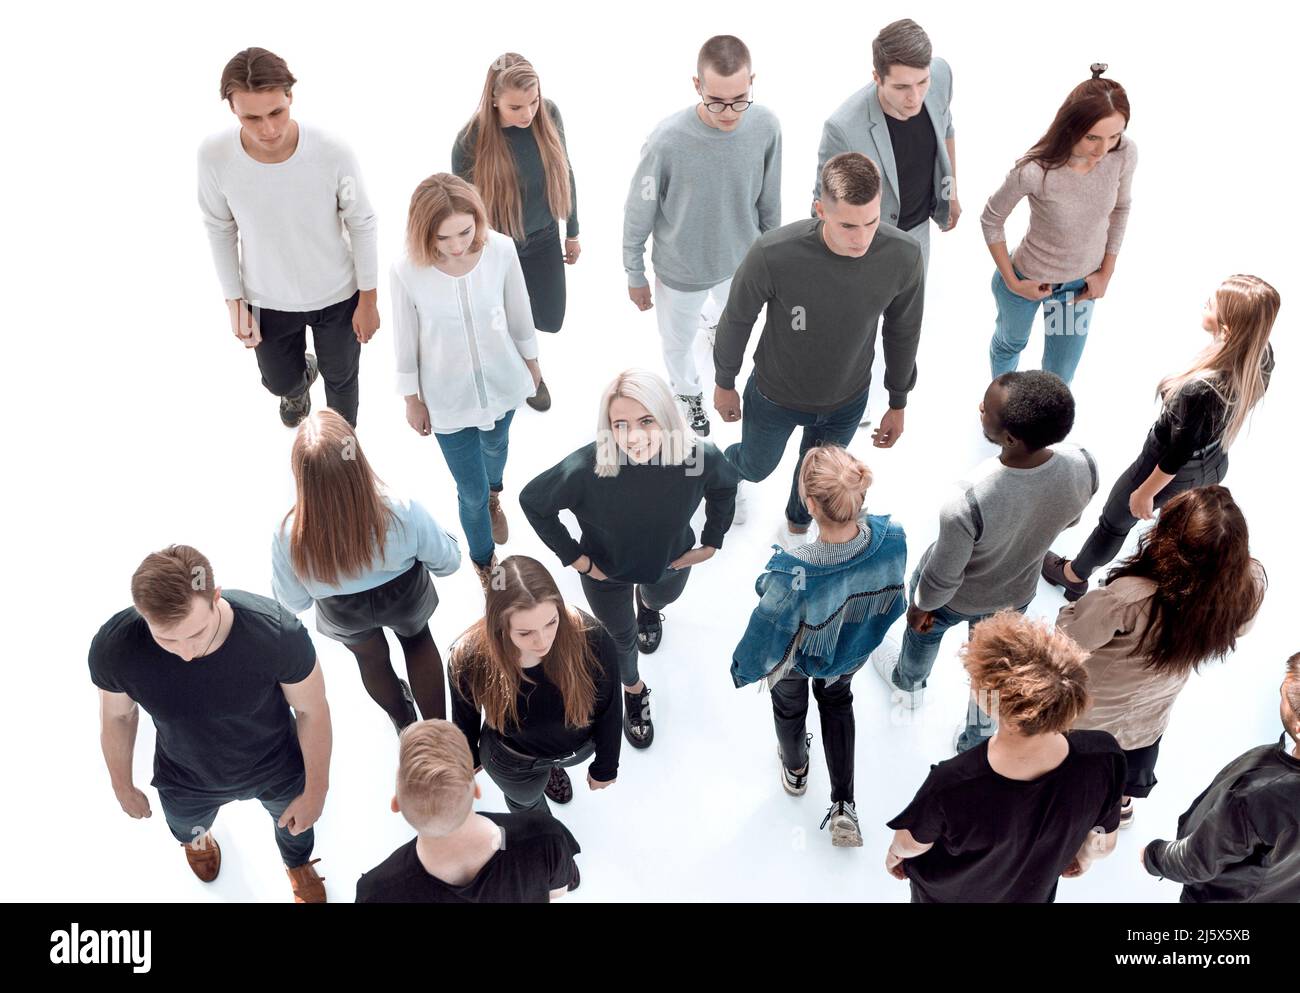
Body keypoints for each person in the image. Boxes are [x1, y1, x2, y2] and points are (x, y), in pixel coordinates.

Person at [89, 545, 331, 902]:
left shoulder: (277, 634)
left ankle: (297, 863)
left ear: (215, 596)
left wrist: (317, 791)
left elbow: (312, 711)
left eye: (196, 633)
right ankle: (200, 841)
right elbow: (118, 715)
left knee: (296, 827)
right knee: (189, 830)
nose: (185, 652)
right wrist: (121, 784)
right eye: (166, 638)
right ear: (142, 616)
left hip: (276, 764)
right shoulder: (116, 649)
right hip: (186, 776)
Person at [870, 371, 1097, 752]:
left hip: (954, 599)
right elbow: (1071, 518)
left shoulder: (968, 499)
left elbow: (944, 577)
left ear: (1009, 438)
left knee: (924, 635)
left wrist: (920, 606)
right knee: (994, 672)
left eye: (987, 410)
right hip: (1015, 596)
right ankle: (977, 738)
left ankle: (908, 685)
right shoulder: (1083, 465)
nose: (980, 408)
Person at [714, 152, 924, 547]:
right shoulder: (773, 253)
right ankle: (726, 476)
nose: (861, 239)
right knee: (756, 466)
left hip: (847, 399)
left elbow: (903, 331)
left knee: (817, 479)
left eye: (872, 222)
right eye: (847, 225)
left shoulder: (905, 255)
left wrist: (898, 400)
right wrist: (724, 381)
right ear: (820, 210)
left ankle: (796, 527)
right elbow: (737, 318)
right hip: (774, 395)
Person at [520, 369, 738, 749]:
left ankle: (649, 608)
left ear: (666, 417)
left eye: (646, 421)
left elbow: (724, 485)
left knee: (658, 598)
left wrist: (711, 541)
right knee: (620, 638)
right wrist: (577, 559)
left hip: (670, 563)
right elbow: (534, 502)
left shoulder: (696, 458)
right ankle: (633, 690)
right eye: (620, 424)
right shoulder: (588, 468)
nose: (633, 437)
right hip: (607, 575)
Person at [1043, 274, 1279, 599]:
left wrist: (1144, 493)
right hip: (1215, 463)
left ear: (1227, 330)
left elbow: (1176, 452)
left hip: (1166, 468)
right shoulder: (1261, 357)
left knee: (1114, 522)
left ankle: (1073, 576)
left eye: (1212, 304)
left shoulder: (1200, 389)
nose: (1204, 303)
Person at [1057, 487, 1266, 827]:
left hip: (1091, 712)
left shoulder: (1132, 596)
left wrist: (1070, 610)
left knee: (1069, 771)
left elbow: (1072, 636)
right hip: (1151, 712)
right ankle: (1120, 808)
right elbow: (1240, 629)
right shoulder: (1248, 587)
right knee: (1131, 764)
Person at [732, 445, 906, 846]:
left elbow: (767, 629)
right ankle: (844, 803)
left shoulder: (796, 568)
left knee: (789, 710)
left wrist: (744, 665)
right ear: (860, 495)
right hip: (849, 651)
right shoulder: (892, 537)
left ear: (810, 504)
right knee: (838, 703)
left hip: (798, 661)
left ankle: (796, 772)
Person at [886, 612, 1125, 903]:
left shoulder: (952, 784)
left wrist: (894, 856)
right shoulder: (1104, 757)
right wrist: (1084, 858)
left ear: (991, 701)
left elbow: (909, 843)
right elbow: (1102, 844)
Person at [198, 47, 379, 428]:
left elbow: (361, 222)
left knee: (342, 381)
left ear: (290, 96)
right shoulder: (215, 157)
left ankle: (342, 453)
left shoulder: (332, 152)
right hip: (267, 297)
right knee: (278, 380)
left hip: (338, 295)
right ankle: (298, 385)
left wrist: (368, 297)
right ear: (232, 108)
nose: (268, 129)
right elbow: (219, 227)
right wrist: (234, 301)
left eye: (276, 112)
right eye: (252, 118)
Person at [623, 34, 782, 436]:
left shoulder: (765, 126)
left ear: (752, 83)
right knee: (677, 346)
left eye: (739, 99)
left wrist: (775, 259)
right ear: (697, 86)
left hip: (740, 263)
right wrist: (634, 272)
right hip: (680, 271)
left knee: (735, 326)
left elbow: (770, 199)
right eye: (716, 101)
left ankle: (714, 333)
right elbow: (638, 209)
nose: (729, 113)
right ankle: (689, 395)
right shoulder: (666, 141)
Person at [391, 173, 542, 588]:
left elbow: (519, 310)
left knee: (497, 448)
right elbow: (404, 338)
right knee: (469, 491)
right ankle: (484, 561)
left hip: (503, 382)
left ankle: (497, 495)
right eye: (443, 237)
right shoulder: (407, 271)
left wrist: (532, 362)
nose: (457, 245)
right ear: (425, 233)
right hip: (447, 400)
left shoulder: (501, 250)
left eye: (465, 231)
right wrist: (411, 398)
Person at [271, 410, 462, 732]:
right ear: (356, 458)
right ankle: (438, 732)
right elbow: (449, 563)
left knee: (370, 660)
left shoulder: (288, 535)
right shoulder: (402, 508)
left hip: (343, 613)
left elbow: (294, 602)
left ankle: (404, 724)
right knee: (417, 642)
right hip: (406, 599)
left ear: (300, 474)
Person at [980, 64, 1136, 384]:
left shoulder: (1123, 154)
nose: (1102, 149)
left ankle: (1042, 429)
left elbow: (1120, 209)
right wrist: (1012, 281)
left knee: (1059, 373)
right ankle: (999, 407)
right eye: (1092, 137)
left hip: (1077, 291)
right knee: (1011, 344)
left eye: (1114, 136)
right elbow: (991, 219)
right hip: (1027, 282)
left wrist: (1105, 273)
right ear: (1070, 126)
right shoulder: (1035, 170)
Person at [453, 53, 579, 412]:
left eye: (533, 102)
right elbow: (463, 213)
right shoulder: (468, 142)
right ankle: (531, 375)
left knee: (550, 319)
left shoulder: (549, 115)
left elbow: (565, 171)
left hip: (543, 236)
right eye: (516, 107)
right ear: (493, 99)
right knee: (505, 319)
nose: (527, 114)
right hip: (498, 246)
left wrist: (573, 230)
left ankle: (512, 351)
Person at [449, 556, 621, 814]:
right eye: (525, 632)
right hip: (513, 761)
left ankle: (553, 769)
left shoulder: (591, 637)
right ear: (499, 626)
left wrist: (607, 765)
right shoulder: (469, 656)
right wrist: (469, 758)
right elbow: (465, 719)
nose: (542, 641)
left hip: (576, 747)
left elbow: (610, 705)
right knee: (528, 809)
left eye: (551, 622)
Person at [356, 720, 581, 902]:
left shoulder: (376, 892)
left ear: (397, 804)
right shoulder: (544, 836)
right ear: (476, 789)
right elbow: (557, 892)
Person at [1140, 653, 1300, 903]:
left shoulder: (1257, 795)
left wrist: (1153, 856)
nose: (1281, 690)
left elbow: (1195, 861)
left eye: (1286, 694)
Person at [814, 18, 958, 272]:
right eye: (901, 86)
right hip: (868, 243)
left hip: (918, 232)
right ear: (877, 78)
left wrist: (951, 191)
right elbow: (823, 205)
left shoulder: (941, 75)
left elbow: (947, 128)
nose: (915, 97)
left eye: (922, 82)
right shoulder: (842, 128)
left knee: (912, 309)